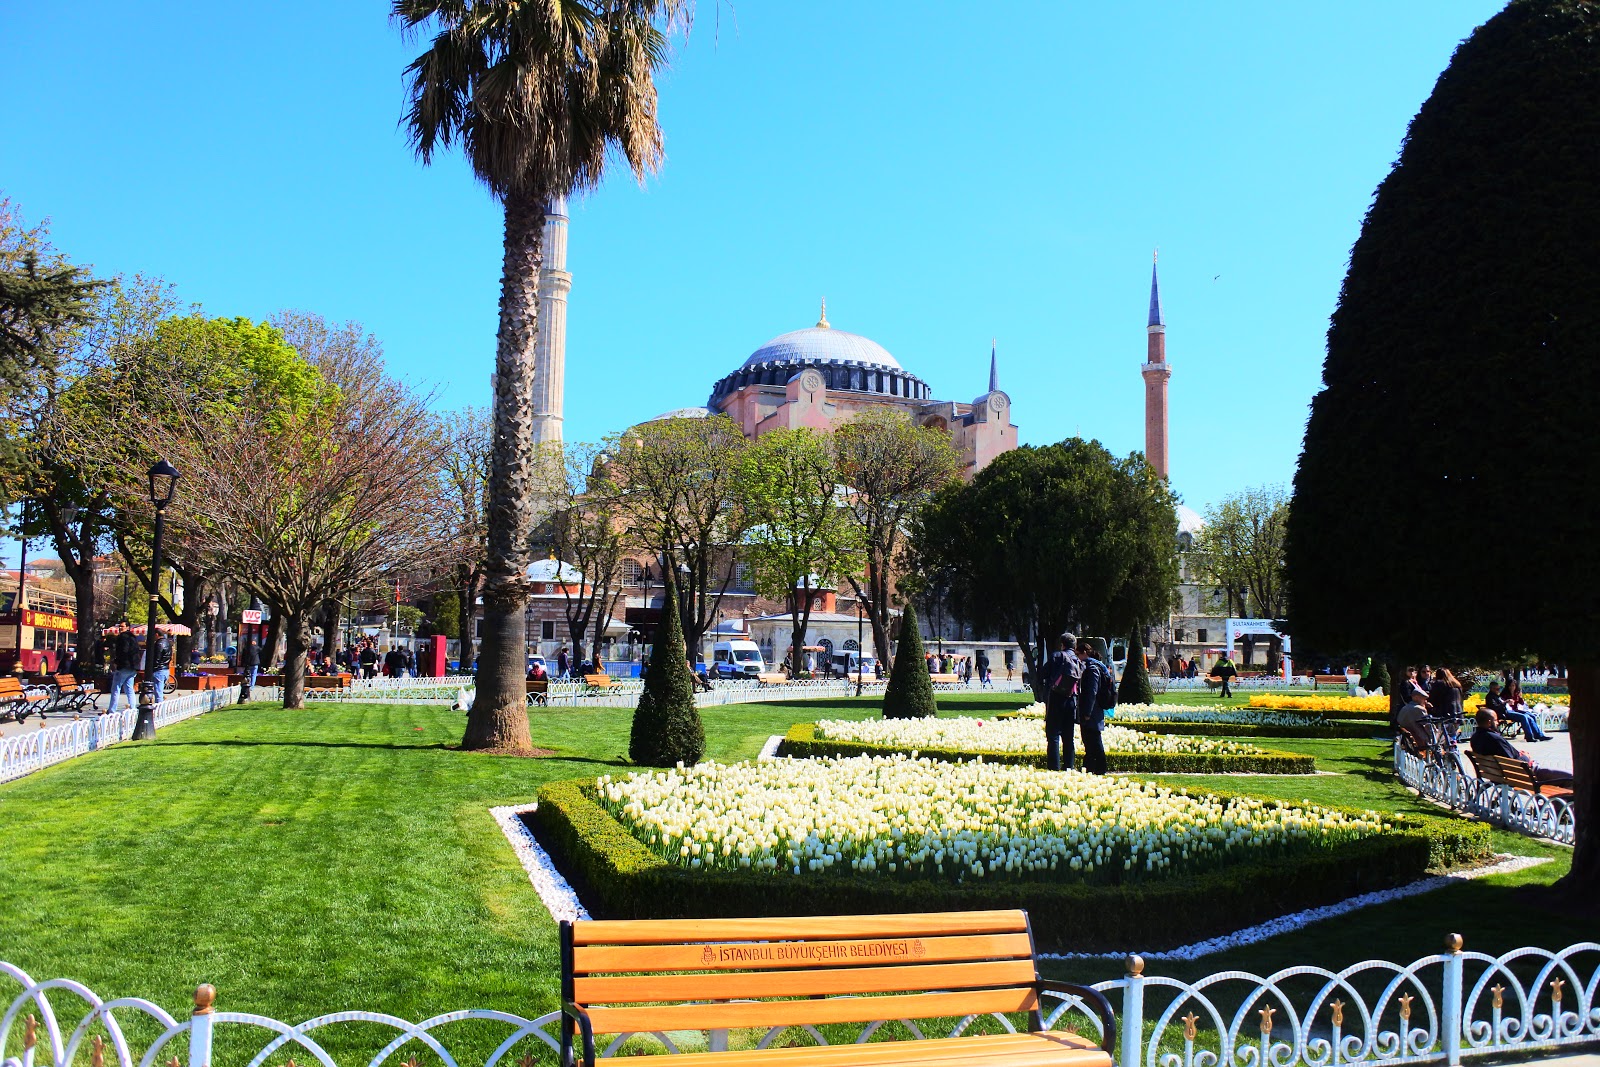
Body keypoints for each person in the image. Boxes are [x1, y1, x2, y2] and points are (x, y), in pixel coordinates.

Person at [1470, 710, 1572, 787]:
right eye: (1495, 720)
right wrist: (1525, 757)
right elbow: (1513, 764)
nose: (1498, 723)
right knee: (1570, 778)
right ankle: (1560, 809)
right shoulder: (1494, 738)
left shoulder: (1475, 738)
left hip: (1497, 774)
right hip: (1525, 775)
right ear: (1489, 722)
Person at [1043, 633, 1083, 772]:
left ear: (1062, 644)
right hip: (1072, 699)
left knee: (1053, 735)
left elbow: (1043, 673)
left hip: (1056, 698)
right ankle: (1069, 767)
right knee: (1068, 736)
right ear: (1075, 646)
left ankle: (1054, 768)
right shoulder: (1077, 660)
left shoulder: (1057, 656)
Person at [1073, 640, 1112, 775]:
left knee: (1094, 741)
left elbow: (1091, 692)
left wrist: (1087, 712)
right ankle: (1089, 768)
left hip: (1093, 710)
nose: (1076, 657)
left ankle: (1100, 769)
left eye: (1078, 654)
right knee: (1089, 742)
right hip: (1092, 710)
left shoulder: (1092, 668)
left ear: (1084, 653)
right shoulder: (1092, 666)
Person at [109, 628, 141, 713]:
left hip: (124, 666)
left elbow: (123, 651)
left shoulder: (123, 637)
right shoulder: (133, 638)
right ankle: (133, 708)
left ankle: (112, 709)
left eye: (122, 626)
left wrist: (116, 662)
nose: (120, 628)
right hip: (133, 667)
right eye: (119, 626)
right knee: (129, 688)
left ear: (127, 627)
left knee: (116, 688)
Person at [1428, 668, 1463, 743]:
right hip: (1457, 713)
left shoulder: (1439, 684)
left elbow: (1433, 698)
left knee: (1442, 737)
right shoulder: (1456, 684)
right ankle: (1454, 751)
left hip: (1444, 713)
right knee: (1452, 736)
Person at [150, 632, 172, 705]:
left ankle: (159, 708)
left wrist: (153, 667)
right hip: (165, 669)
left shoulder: (158, 644)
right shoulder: (167, 642)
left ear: (156, 634)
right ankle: (160, 706)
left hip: (159, 669)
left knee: (158, 691)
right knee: (159, 690)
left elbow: (157, 657)